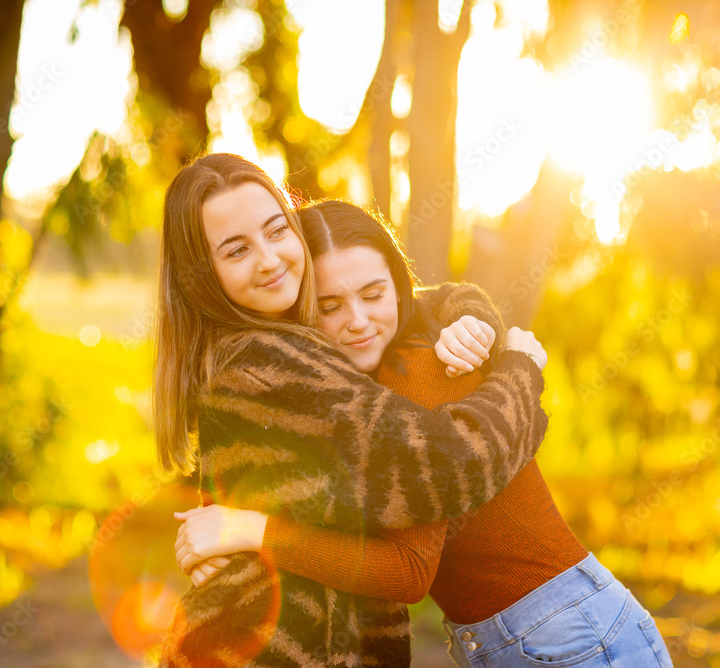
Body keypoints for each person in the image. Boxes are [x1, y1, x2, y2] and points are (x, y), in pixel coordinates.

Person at [175, 200, 675, 668]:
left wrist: (251, 532)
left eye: (373, 295)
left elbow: (408, 571)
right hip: (532, 637)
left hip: (574, 636)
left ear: (397, 285)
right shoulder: (351, 387)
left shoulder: (421, 365)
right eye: (329, 307)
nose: (358, 321)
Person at [154, 153, 550, 667]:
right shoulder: (269, 362)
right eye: (236, 250)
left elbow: (414, 297)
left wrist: (471, 317)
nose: (270, 260)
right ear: (200, 274)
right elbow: (450, 467)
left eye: (277, 230)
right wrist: (520, 370)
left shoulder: (260, 344)